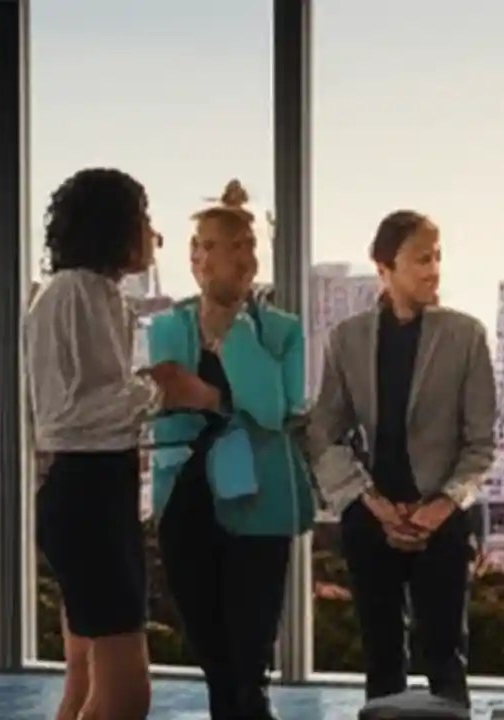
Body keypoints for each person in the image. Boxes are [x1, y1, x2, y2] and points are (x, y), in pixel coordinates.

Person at [26, 168, 218, 720]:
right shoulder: (87, 293)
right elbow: (85, 409)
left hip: (82, 490)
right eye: (145, 220)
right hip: (91, 493)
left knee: (84, 679)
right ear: (115, 226)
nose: (154, 236)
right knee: (125, 694)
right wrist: (168, 391)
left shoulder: (66, 294)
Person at [306, 210, 495, 706]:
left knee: (445, 660)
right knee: (381, 662)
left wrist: (439, 508)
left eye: (437, 258)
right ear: (384, 268)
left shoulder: (466, 336)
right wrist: (368, 501)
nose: (435, 270)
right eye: (422, 259)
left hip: (444, 515)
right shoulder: (347, 339)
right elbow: (323, 432)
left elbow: (481, 446)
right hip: (372, 517)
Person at [148, 180, 315, 719]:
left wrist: (231, 340)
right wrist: (230, 400)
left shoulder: (282, 331)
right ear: (199, 257)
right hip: (186, 497)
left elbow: (274, 410)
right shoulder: (166, 326)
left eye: (250, 245)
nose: (246, 257)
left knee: (251, 653)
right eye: (232, 244)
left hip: (261, 498)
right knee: (210, 646)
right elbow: (165, 398)